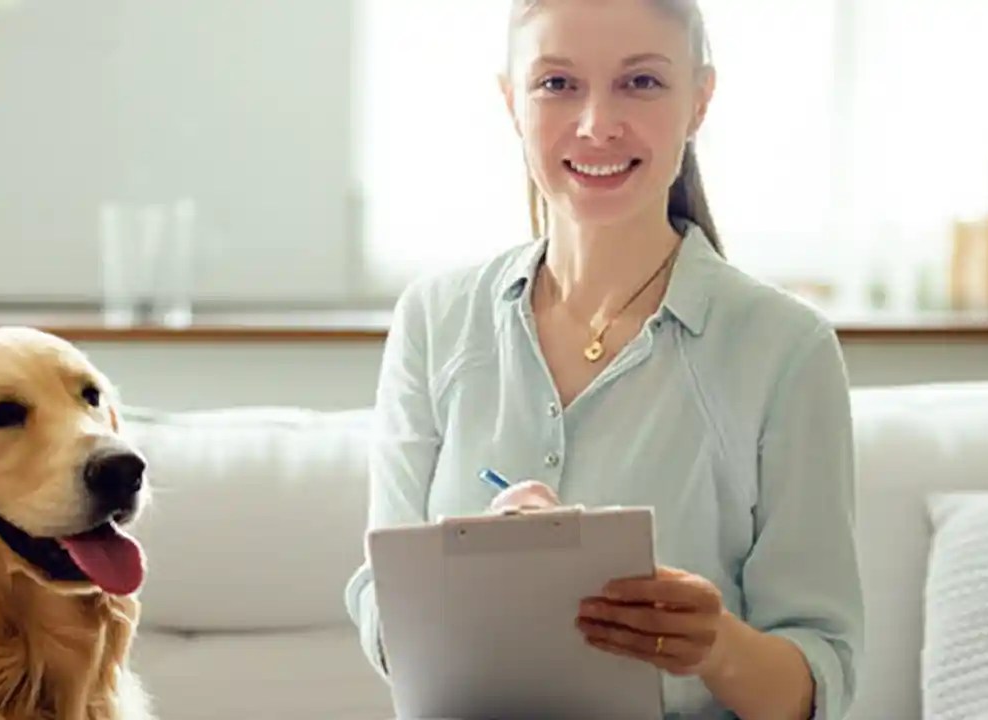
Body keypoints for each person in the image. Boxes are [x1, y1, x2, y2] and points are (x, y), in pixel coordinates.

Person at [344, 0, 865, 717]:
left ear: (700, 99)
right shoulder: (434, 321)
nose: (596, 125)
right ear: (512, 101)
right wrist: (486, 578)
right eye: (557, 84)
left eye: (641, 82)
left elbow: (817, 679)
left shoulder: (787, 350)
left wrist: (715, 644)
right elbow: (381, 601)